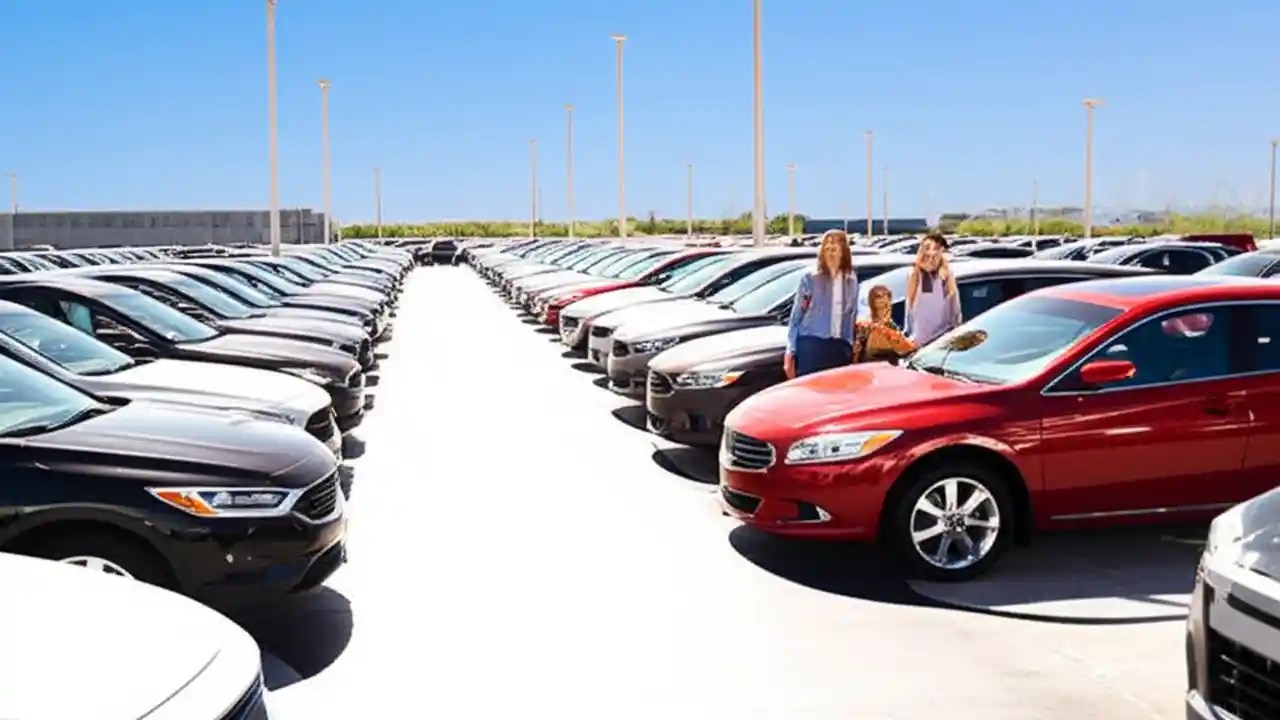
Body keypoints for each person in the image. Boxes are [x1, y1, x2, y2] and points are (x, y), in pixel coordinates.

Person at [783, 229, 858, 378]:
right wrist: (790, 351)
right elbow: (797, 316)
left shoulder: (851, 280)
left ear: (843, 252)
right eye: (827, 249)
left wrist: (850, 345)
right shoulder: (810, 279)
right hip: (812, 345)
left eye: (835, 249)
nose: (831, 254)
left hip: (839, 346)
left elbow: (852, 315)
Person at [904, 234, 962, 346]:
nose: (932, 256)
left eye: (938, 250)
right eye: (927, 251)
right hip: (921, 343)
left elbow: (955, 309)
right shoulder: (917, 275)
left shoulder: (946, 276)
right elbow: (911, 309)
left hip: (943, 340)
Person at [853, 285, 915, 363]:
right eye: (879, 308)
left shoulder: (892, 326)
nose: (883, 311)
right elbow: (857, 352)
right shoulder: (864, 326)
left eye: (885, 306)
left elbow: (906, 348)